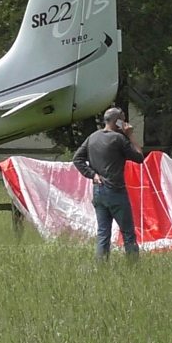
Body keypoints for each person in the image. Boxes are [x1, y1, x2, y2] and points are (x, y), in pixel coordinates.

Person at [73, 107, 145, 261]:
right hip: (116, 191)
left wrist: (92, 175)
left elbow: (77, 159)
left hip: (98, 191)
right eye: (123, 119)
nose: (125, 122)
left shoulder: (92, 137)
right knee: (128, 233)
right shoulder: (119, 139)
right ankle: (134, 268)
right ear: (116, 121)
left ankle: (101, 268)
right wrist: (130, 135)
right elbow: (140, 157)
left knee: (103, 233)